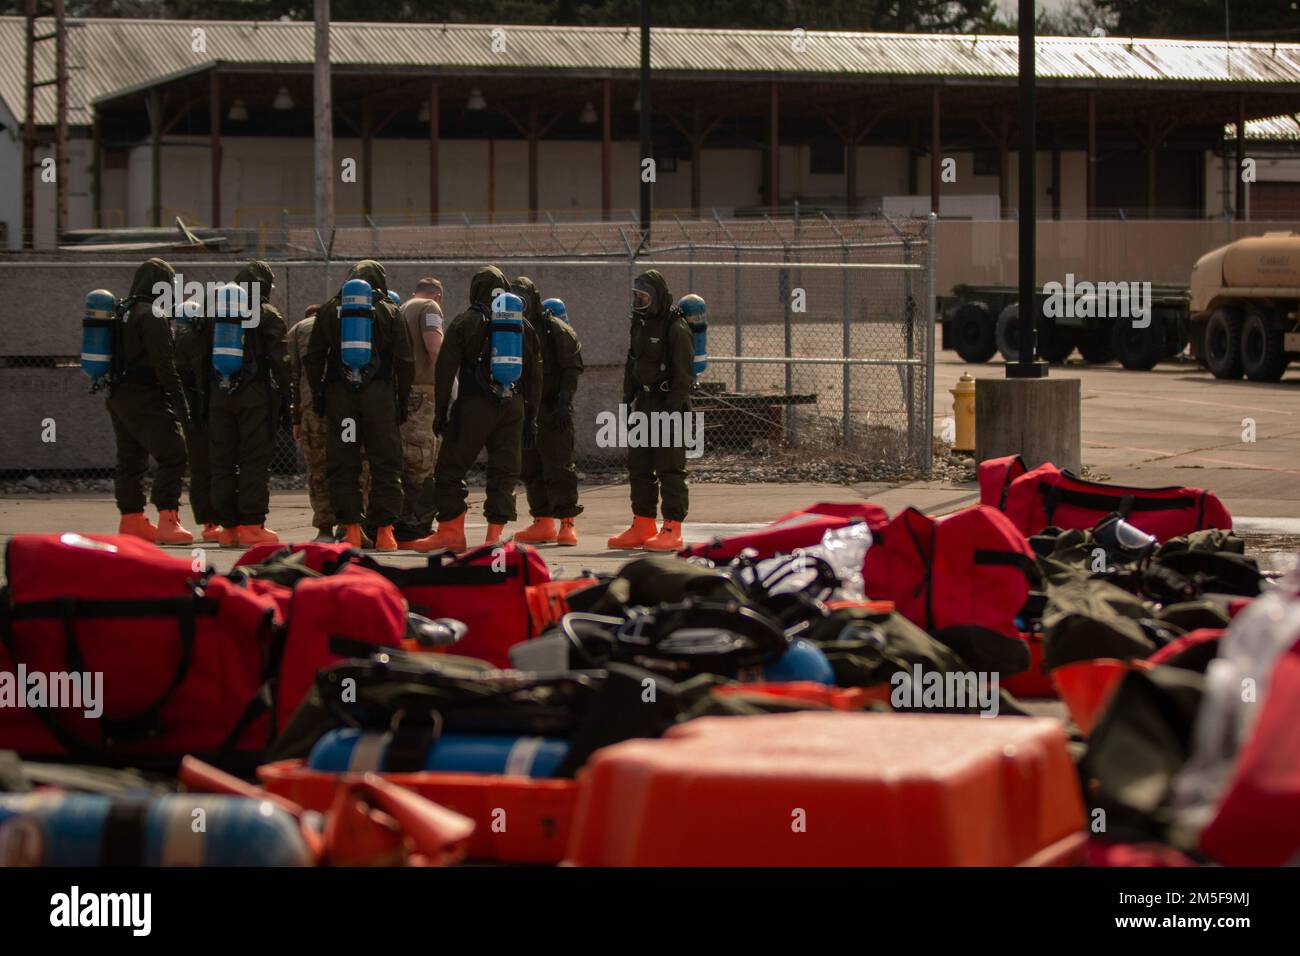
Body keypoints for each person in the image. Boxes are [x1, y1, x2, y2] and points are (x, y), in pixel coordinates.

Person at [414, 265, 541, 553]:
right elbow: (535, 375)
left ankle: (451, 533)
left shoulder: (466, 321)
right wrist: (531, 418)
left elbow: (446, 369)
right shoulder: (523, 324)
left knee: (450, 467)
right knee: (503, 472)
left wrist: (441, 411)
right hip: (513, 406)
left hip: (474, 405)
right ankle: (493, 538)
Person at [304, 259, 412, 550]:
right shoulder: (390, 310)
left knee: (344, 462)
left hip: (343, 400)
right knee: (385, 462)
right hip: (379, 399)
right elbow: (405, 360)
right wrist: (401, 401)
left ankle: (351, 530)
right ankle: (385, 532)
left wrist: (319, 395)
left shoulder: (329, 310)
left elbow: (313, 358)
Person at [105, 257, 193, 545]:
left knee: (130, 459)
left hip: (118, 394)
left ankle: (131, 520)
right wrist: (182, 406)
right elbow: (165, 366)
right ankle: (168, 520)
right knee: (174, 453)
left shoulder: (122, 311)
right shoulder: (153, 315)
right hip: (145, 395)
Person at [608, 269, 695, 552]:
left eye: (643, 296)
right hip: (643, 404)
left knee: (670, 468)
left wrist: (673, 409)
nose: (638, 301)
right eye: (635, 296)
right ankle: (643, 523)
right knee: (639, 466)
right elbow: (632, 362)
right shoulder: (640, 323)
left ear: (656, 296)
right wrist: (626, 398)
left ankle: (672, 528)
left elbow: (685, 375)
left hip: (669, 405)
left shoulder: (675, 327)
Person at [207, 261, 290, 548]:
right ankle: (252, 526)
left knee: (223, 462)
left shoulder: (215, 312)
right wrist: (289, 405)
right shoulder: (267, 314)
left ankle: (228, 529)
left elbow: (194, 354)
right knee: (254, 461)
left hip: (219, 395)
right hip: (255, 397)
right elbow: (282, 363)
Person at [510, 282, 584, 546]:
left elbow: (571, 366)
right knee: (530, 466)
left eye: (524, 298)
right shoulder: (511, 327)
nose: (520, 304)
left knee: (559, 466)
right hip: (526, 408)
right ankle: (542, 521)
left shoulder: (555, 329)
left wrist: (564, 403)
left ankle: (566, 523)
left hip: (553, 408)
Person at [392, 278, 445, 547]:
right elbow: (435, 349)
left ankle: (399, 518)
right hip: (424, 393)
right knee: (422, 459)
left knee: (405, 455)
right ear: (438, 296)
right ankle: (414, 525)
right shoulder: (429, 308)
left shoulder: (401, 308)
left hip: (402, 393)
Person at [172, 295, 218, 541]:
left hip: (187, 414)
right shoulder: (202, 341)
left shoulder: (172, 345)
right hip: (208, 409)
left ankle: (208, 523)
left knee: (199, 466)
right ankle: (221, 521)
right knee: (218, 463)